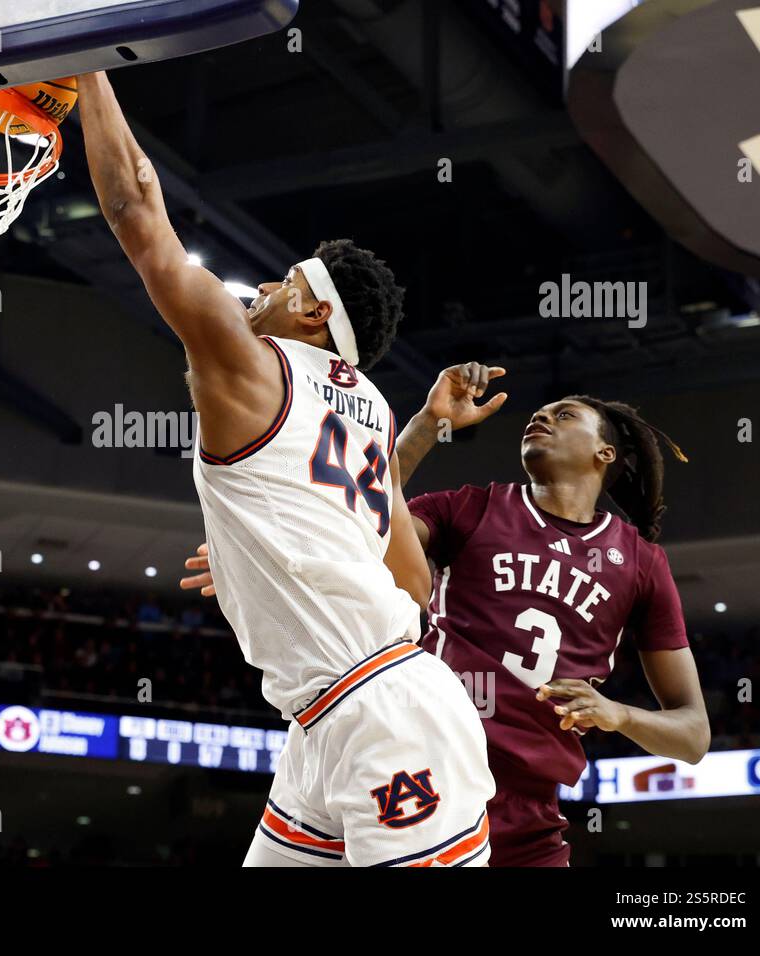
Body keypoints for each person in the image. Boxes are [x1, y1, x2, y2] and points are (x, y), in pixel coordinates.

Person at [79, 71, 494, 867]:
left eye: (288, 282)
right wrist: (260, 556)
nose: (266, 285)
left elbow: (137, 210)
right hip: (330, 717)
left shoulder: (253, 367)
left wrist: (86, 64)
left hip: (383, 714)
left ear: (313, 316)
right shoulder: (367, 404)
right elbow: (411, 582)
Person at [184, 363, 709, 865]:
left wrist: (618, 714)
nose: (541, 417)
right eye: (540, 412)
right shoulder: (473, 508)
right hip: (425, 760)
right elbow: (365, 518)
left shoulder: (641, 562)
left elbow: (692, 735)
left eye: (564, 414)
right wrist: (428, 424)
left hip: (528, 809)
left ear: (604, 452)